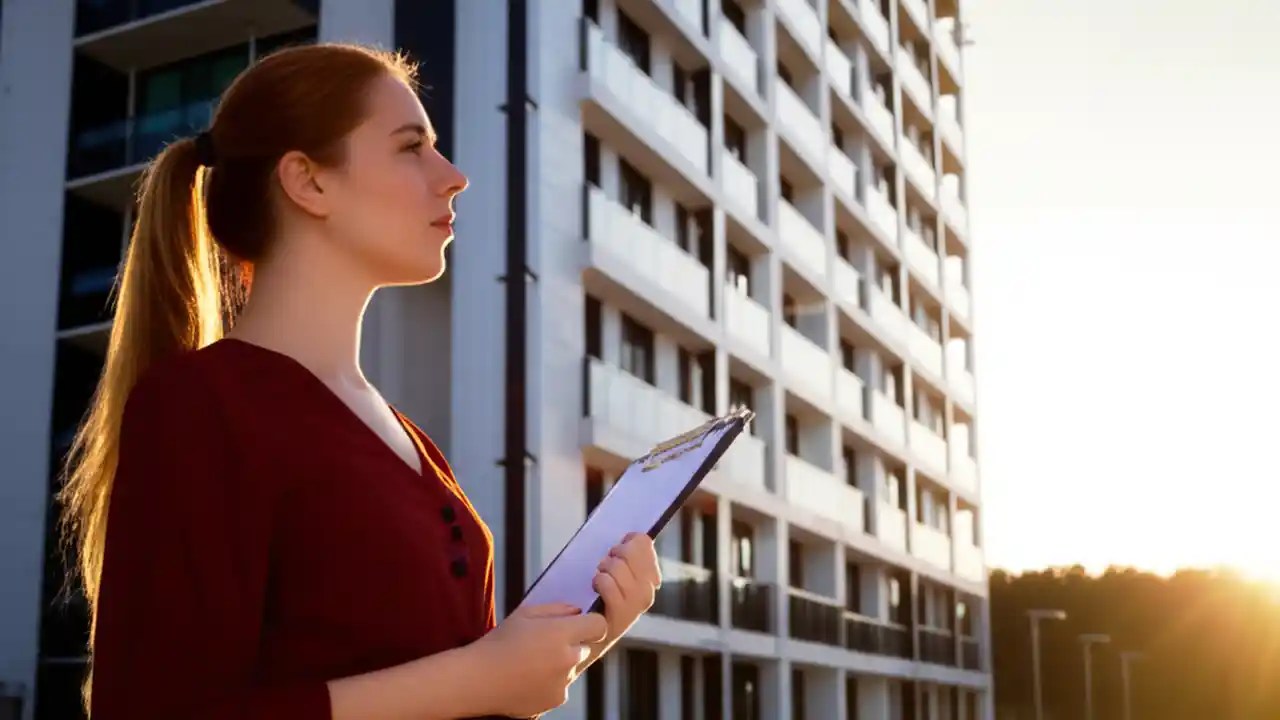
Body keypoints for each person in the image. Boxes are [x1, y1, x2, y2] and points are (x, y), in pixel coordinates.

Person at [56, 42, 661, 720]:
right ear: (308, 182)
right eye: (412, 148)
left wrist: (570, 645)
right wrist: (483, 677)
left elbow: (448, 683)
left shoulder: (407, 437)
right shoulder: (199, 405)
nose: (454, 176)